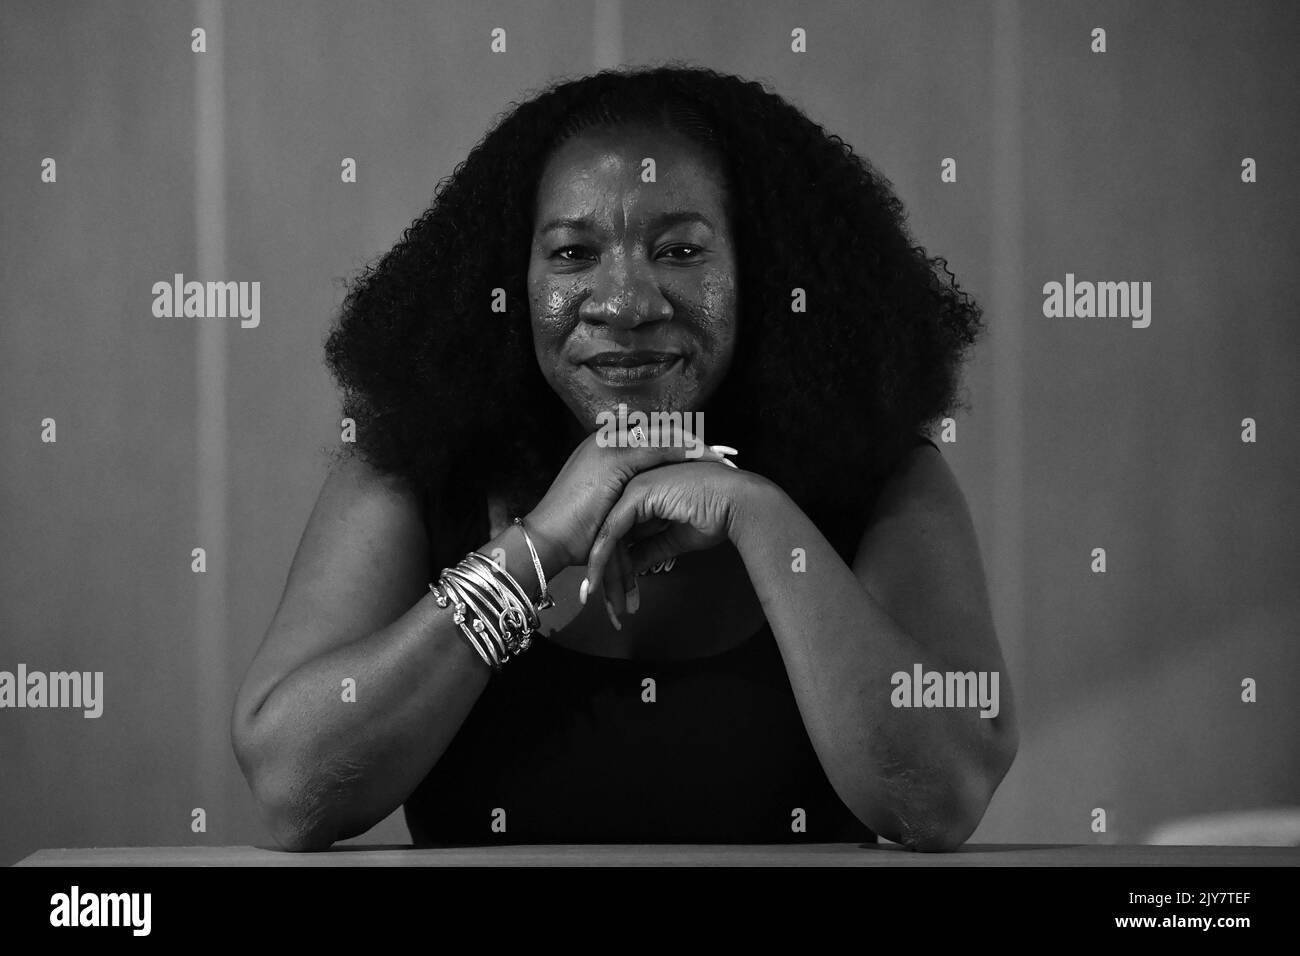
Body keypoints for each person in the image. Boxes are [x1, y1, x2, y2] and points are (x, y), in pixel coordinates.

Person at [231, 63, 1018, 852]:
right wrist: (536, 549)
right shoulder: (409, 471)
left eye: (680, 251)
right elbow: (293, 787)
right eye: (573, 254)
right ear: (511, 279)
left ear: (762, 275)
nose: (628, 304)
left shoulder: (883, 480)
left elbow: (941, 796)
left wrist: (759, 516)